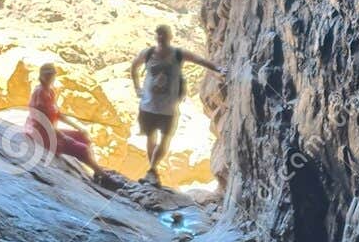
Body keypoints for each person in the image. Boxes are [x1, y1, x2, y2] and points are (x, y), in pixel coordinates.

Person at [130, 24, 224, 185]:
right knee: (151, 138)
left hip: (169, 108)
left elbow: (199, 60)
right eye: (158, 34)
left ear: (169, 37)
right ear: (156, 36)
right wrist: (137, 88)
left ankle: (152, 169)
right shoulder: (148, 53)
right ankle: (152, 171)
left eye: (163, 35)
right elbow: (134, 67)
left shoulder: (178, 54)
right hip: (148, 106)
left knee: (166, 139)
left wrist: (218, 69)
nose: (160, 37)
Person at [26, 63, 113, 185]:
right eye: (48, 75)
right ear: (42, 76)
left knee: (83, 137)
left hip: (50, 131)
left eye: (52, 75)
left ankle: (96, 170)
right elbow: (44, 122)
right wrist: (64, 137)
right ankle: (103, 176)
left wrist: (78, 127)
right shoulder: (40, 94)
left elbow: (58, 114)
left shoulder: (50, 92)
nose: (50, 77)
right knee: (82, 149)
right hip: (42, 134)